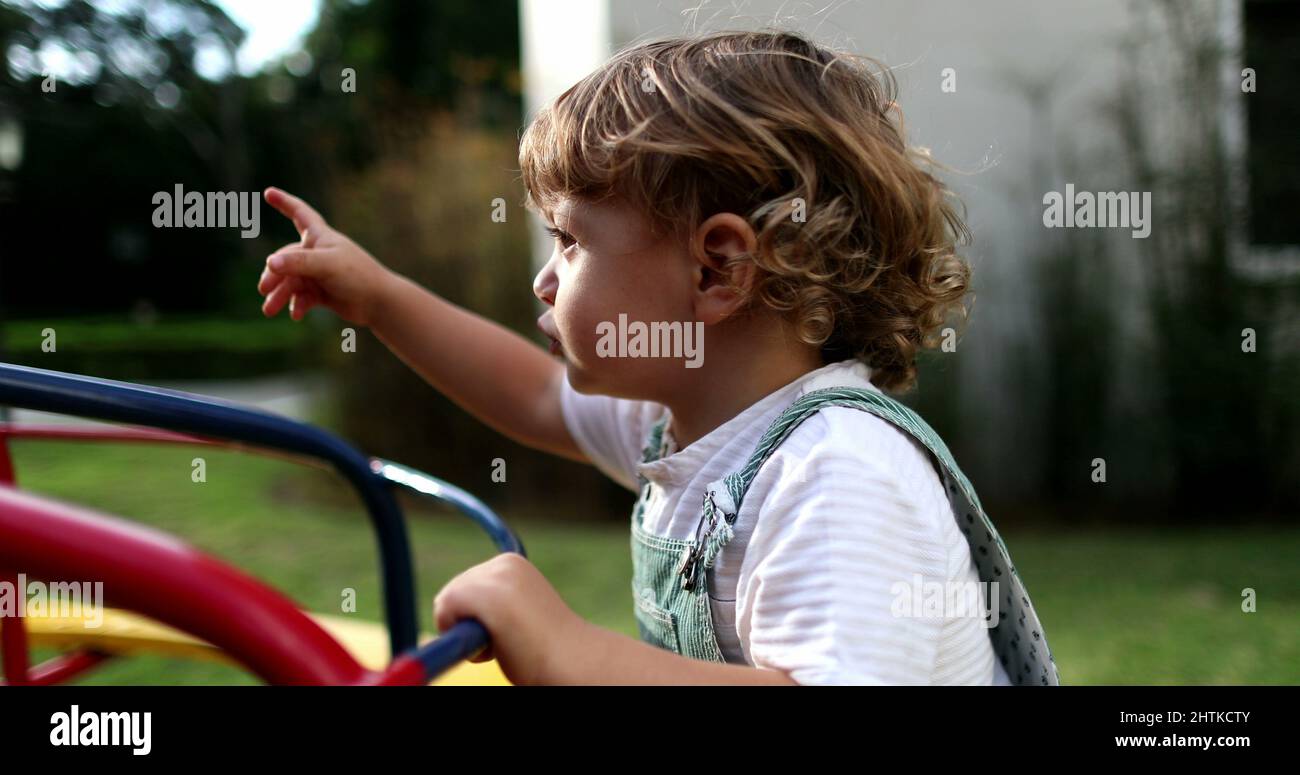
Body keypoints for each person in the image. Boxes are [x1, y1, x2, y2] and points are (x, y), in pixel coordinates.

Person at [257, 29, 1057, 686]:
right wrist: (378, 298)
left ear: (717, 269)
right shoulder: (686, 425)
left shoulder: (835, 471)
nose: (543, 278)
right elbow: (534, 396)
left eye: (569, 241)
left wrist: (569, 650)